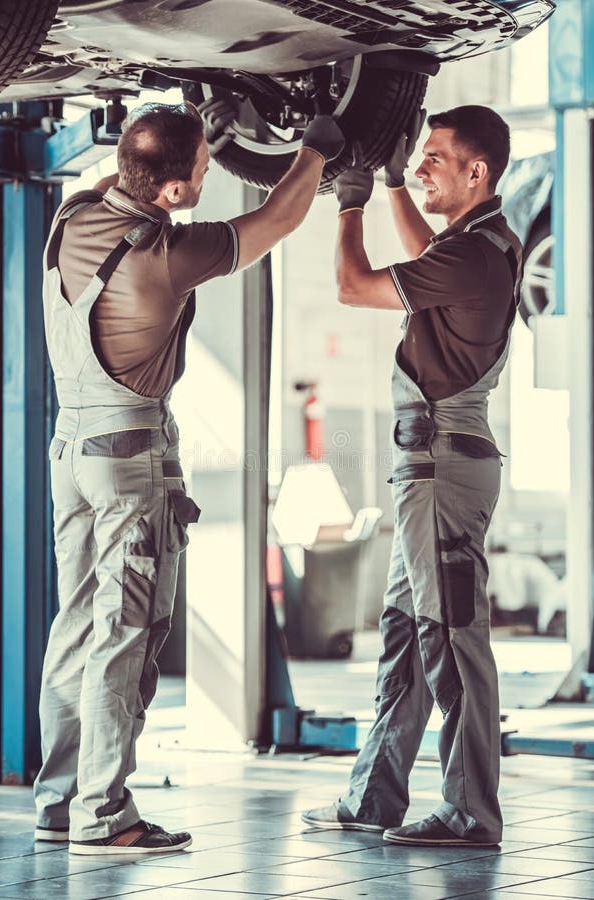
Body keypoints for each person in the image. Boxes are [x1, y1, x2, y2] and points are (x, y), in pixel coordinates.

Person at [33, 98, 344, 856]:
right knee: (126, 634)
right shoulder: (168, 254)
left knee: (77, 624)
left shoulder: (72, 217)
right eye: (203, 167)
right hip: (129, 459)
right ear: (172, 191)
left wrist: (200, 125)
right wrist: (316, 149)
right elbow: (275, 220)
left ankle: (61, 800)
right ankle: (104, 814)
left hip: (71, 449)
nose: (209, 173)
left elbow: (141, 172)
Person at [302, 106, 522, 847]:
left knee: (451, 637)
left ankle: (470, 812)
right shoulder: (476, 242)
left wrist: (351, 201)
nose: (424, 165)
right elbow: (425, 253)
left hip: (440, 470)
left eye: (434, 157)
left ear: (476, 172)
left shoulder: (473, 255)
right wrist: (396, 183)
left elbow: (353, 286)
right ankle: (374, 796)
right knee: (406, 633)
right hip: (433, 467)